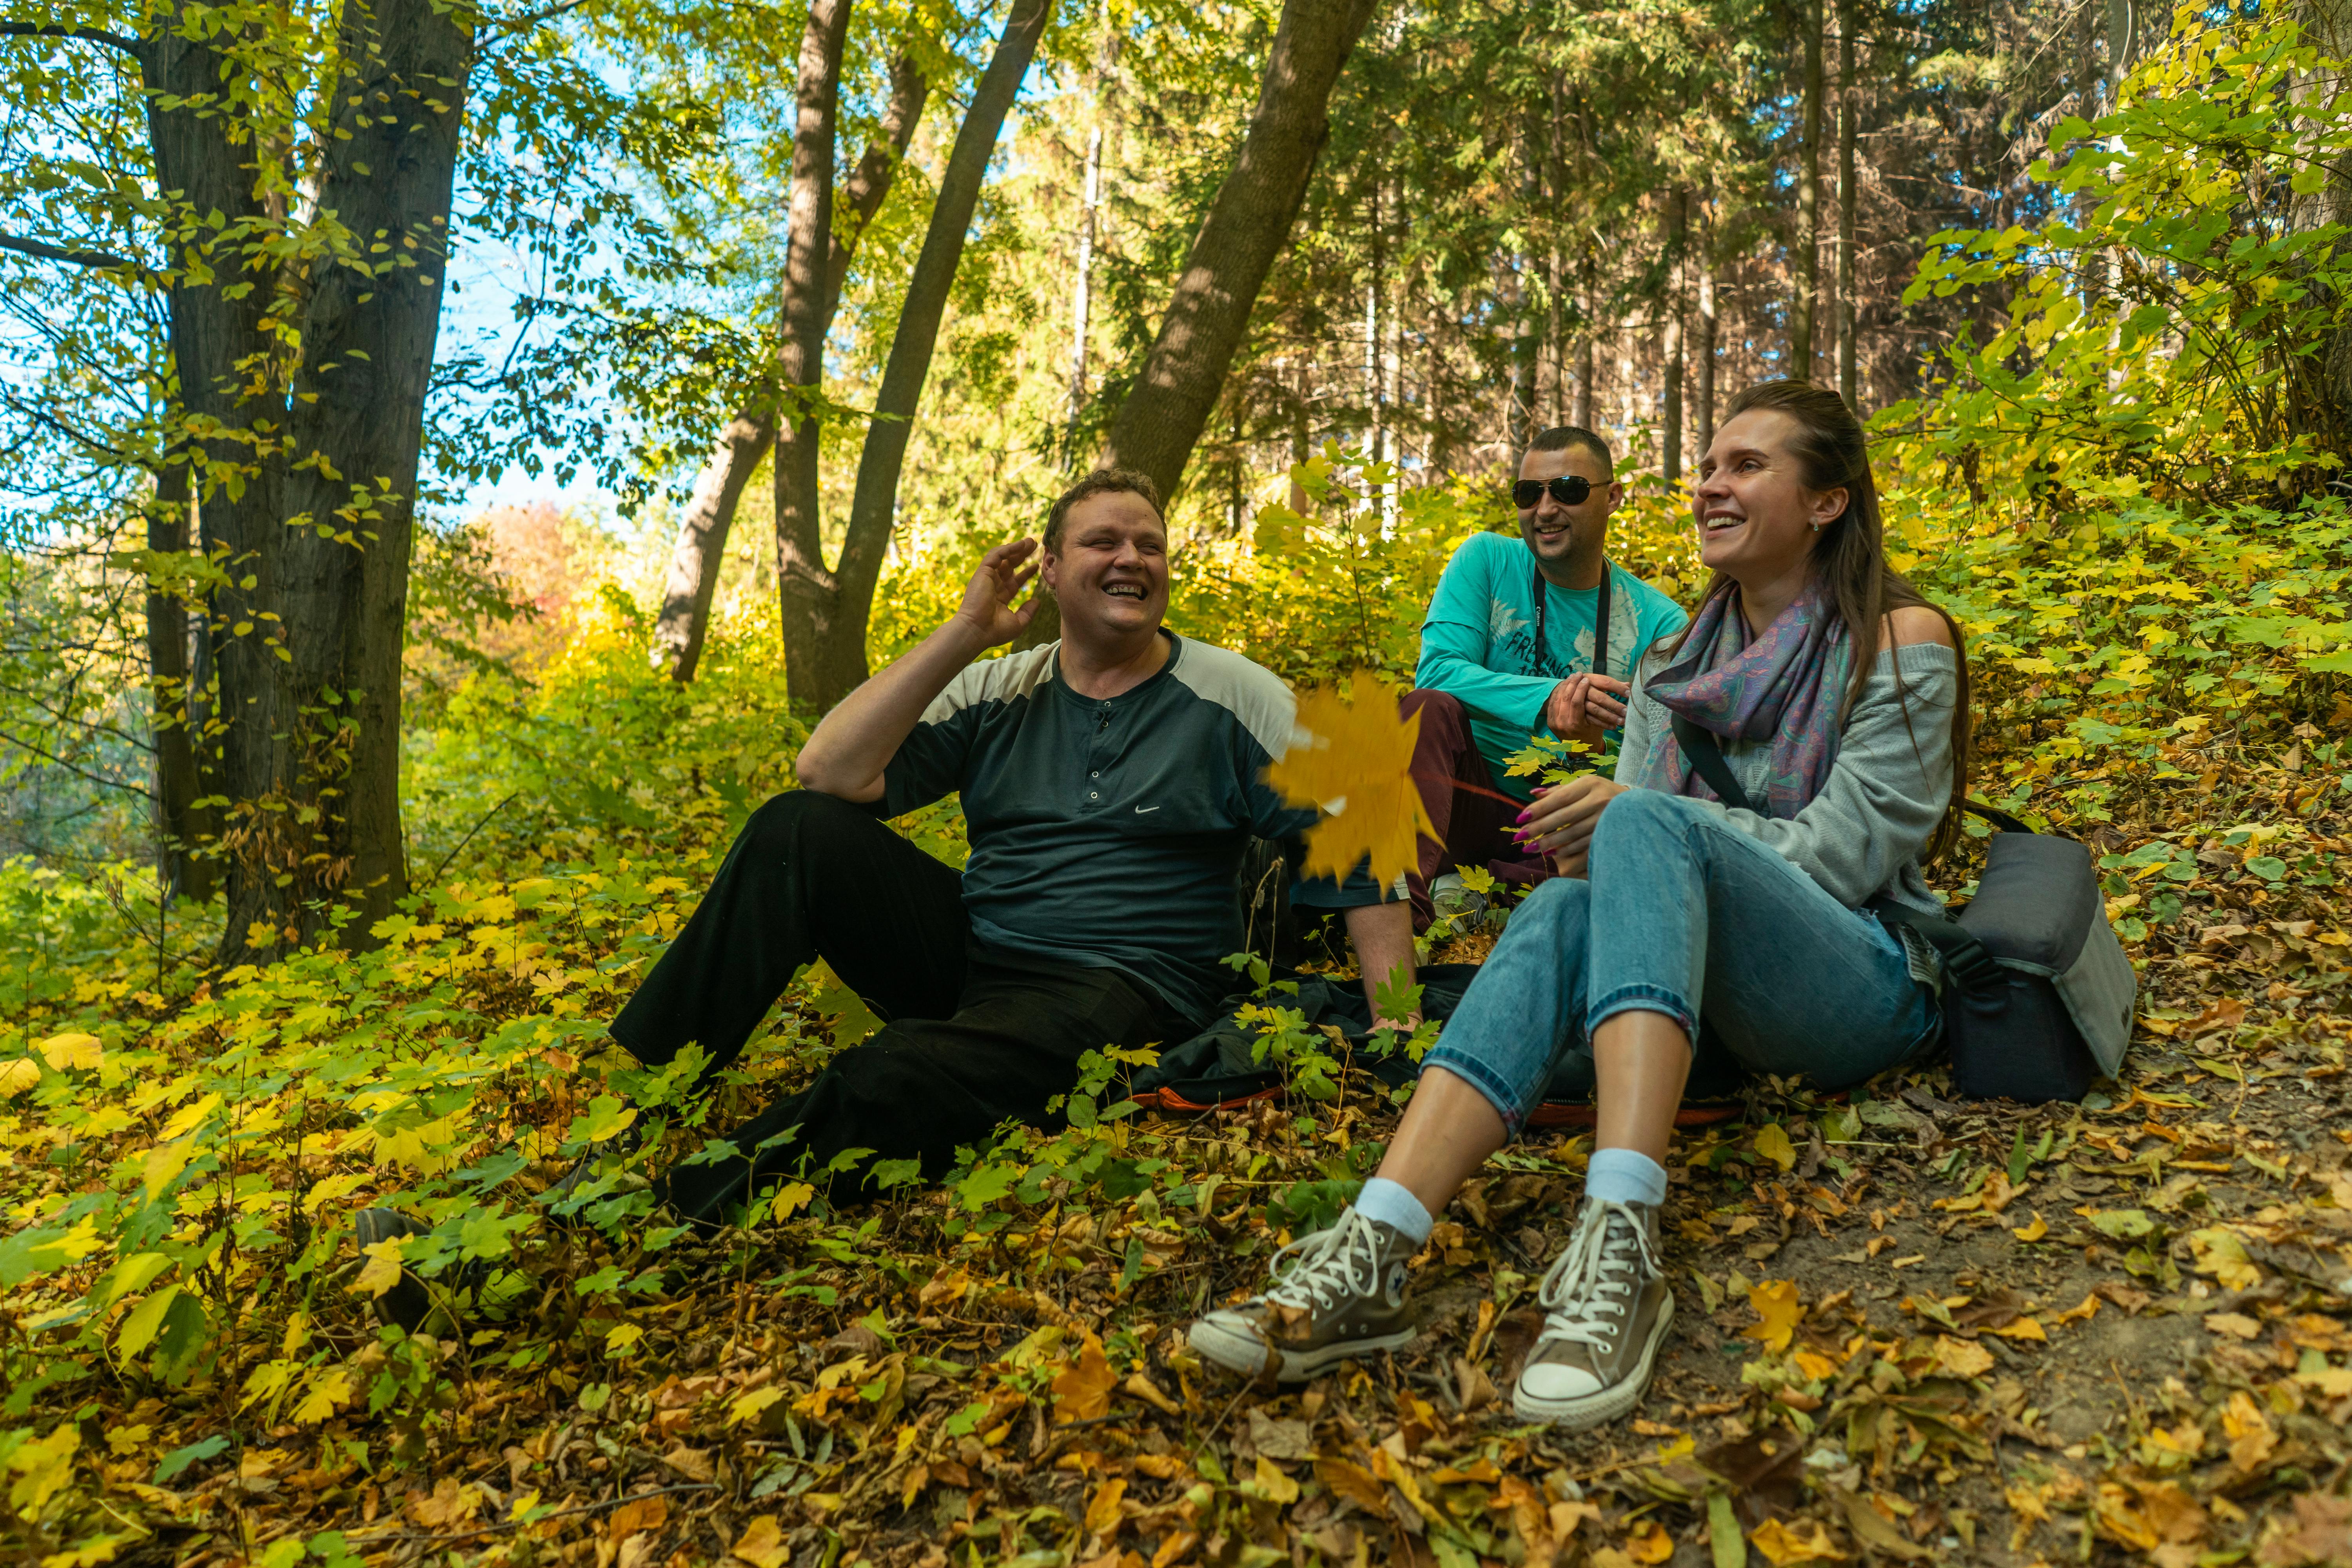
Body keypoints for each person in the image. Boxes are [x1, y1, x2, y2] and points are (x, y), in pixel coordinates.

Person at [1187, 381, 1969, 1430]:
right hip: (1710, 988)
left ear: (1827, 502)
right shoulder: (1669, 660)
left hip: (1858, 976)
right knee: (1563, 905)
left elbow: (1851, 858)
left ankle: (1625, 1238)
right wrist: (1589, 858)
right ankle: (1377, 1240)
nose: (1710, 486)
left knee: (1643, 820)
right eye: (1707, 466)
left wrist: (1644, 824)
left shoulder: (1901, 639)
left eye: (1746, 466)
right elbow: (1480, 730)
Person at [570, 468, 1417, 1229]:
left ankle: (671, 1208)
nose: (1133, 558)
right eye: (1103, 541)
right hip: (982, 961)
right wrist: (968, 632)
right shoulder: (997, 687)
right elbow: (828, 769)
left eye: (1150, 545)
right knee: (797, 828)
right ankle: (641, 1097)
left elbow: (1366, 832)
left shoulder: (1231, 691)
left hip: (1130, 989)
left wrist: (1399, 1017)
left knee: (894, 1072)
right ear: (1049, 569)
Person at [1405, 425, 1687, 930]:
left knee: (1617, 822)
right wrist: (1550, 696)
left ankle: (1484, 895)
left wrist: (1587, 745)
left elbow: (1656, 769)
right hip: (1468, 797)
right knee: (1426, 709)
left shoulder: (1660, 622)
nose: (1546, 509)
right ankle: (1403, 903)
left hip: (1562, 821)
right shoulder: (1487, 559)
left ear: (1613, 498)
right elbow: (1438, 670)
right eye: (1529, 493)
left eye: (1570, 490)